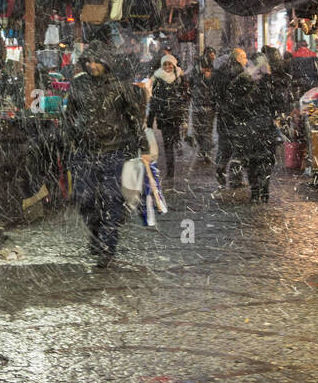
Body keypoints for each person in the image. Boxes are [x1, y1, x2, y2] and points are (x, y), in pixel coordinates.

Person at [62, 44, 151, 269]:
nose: (93, 66)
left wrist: (144, 147)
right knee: (85, 199)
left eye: (97, 62)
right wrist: (69, 139)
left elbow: (134, 117)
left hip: (114, 150)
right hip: (85, 151)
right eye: (89, 62)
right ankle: (95, 233)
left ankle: (107, 246)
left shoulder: (120, 87)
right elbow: (70, 115)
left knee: (112, 199)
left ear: (107, 63)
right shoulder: (79, 85)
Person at [227, 53, 285, 202]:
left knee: (257, 161)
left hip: (257, 128)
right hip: (258, 128)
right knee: (259, 161)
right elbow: (234, 102)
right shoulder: (247, 80)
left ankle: (260, 189)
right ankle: (260, 189)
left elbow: (233, 102)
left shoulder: (262, 81)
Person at [147, 54, 188, 182]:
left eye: (170, 64)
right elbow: (154, 100)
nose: (168, 67)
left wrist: (185, 118)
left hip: (176, 115)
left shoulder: (180, 78)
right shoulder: (157, 79)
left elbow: (185, 99)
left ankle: (178, 143)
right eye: (165, 64)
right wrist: (150, 120)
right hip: (164, 116)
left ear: (174, 64)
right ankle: (170, 171)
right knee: (167, 145)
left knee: (173, 138)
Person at [211, 47, 249, 188]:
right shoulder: (240, 72)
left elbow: (215, 93)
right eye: (244, 57)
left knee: (224, 146)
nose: (246, 60)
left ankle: (220, 170)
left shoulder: (220, 71)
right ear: (238, 58)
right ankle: (236, 179)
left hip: (223, 115)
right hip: (237, 115)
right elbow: (243, 95)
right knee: (238, 148)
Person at [188, 54, 215, 163]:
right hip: (197, 106)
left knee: (207, 131)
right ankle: (203, 147)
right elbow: (190, 86)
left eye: (208, 68)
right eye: (204, 68)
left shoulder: (213, 77)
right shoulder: (195, 75)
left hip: (209, 107)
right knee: (197, 132)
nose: (206, 70)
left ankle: (206, 152)